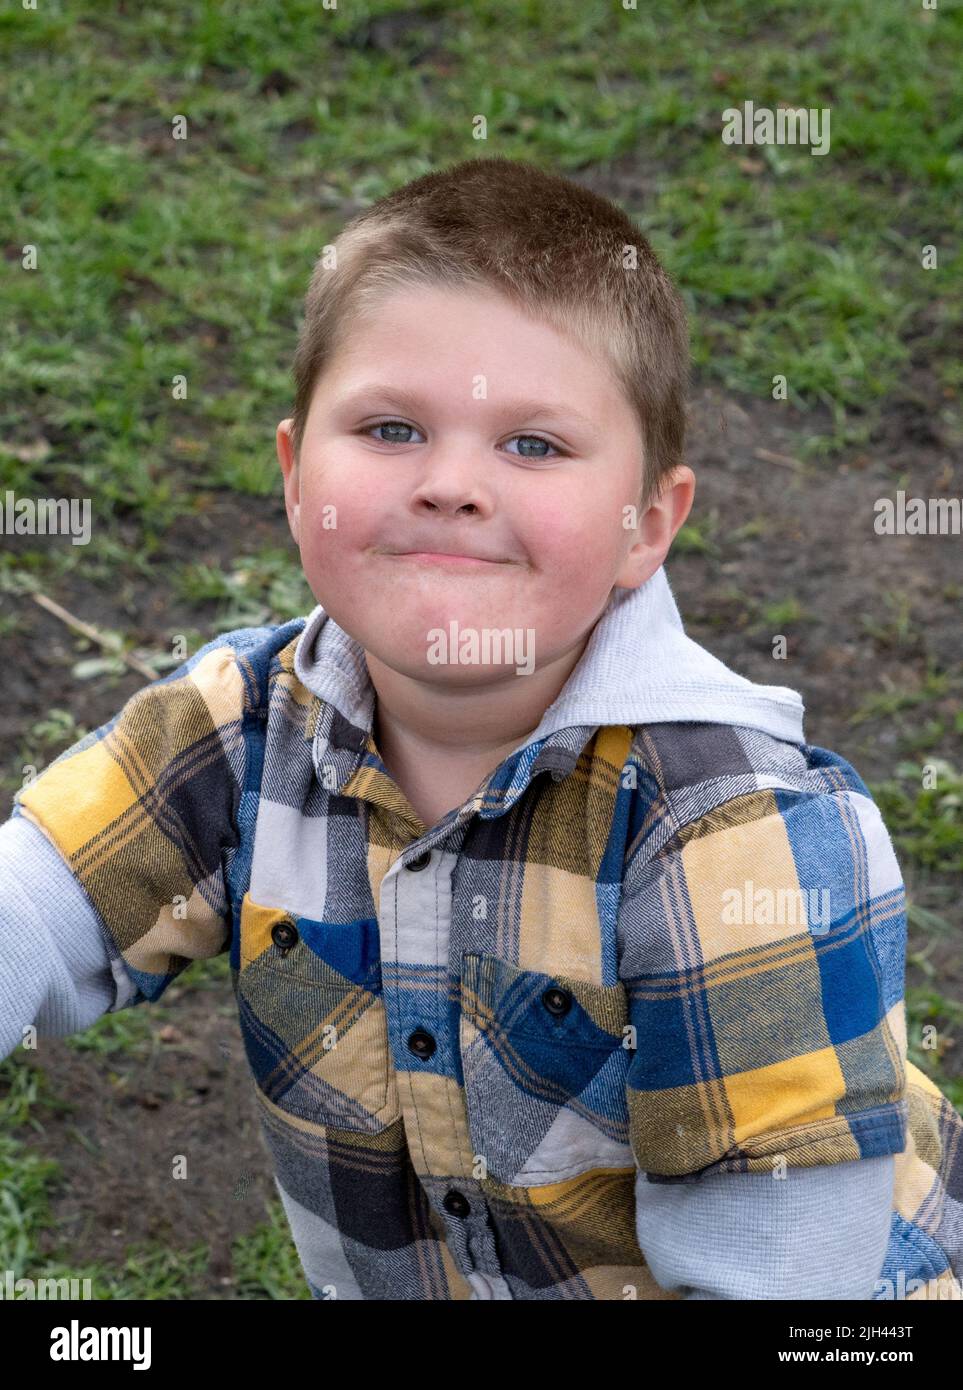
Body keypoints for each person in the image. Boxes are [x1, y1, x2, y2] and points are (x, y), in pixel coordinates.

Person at [2, 157, 960, 1301]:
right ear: (296, 470)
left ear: (647, 523)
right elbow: (36, 907)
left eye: (533, 445)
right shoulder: (237, 725)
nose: (452, 481)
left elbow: (786, 1281)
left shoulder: (735, 831)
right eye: (394, 427)